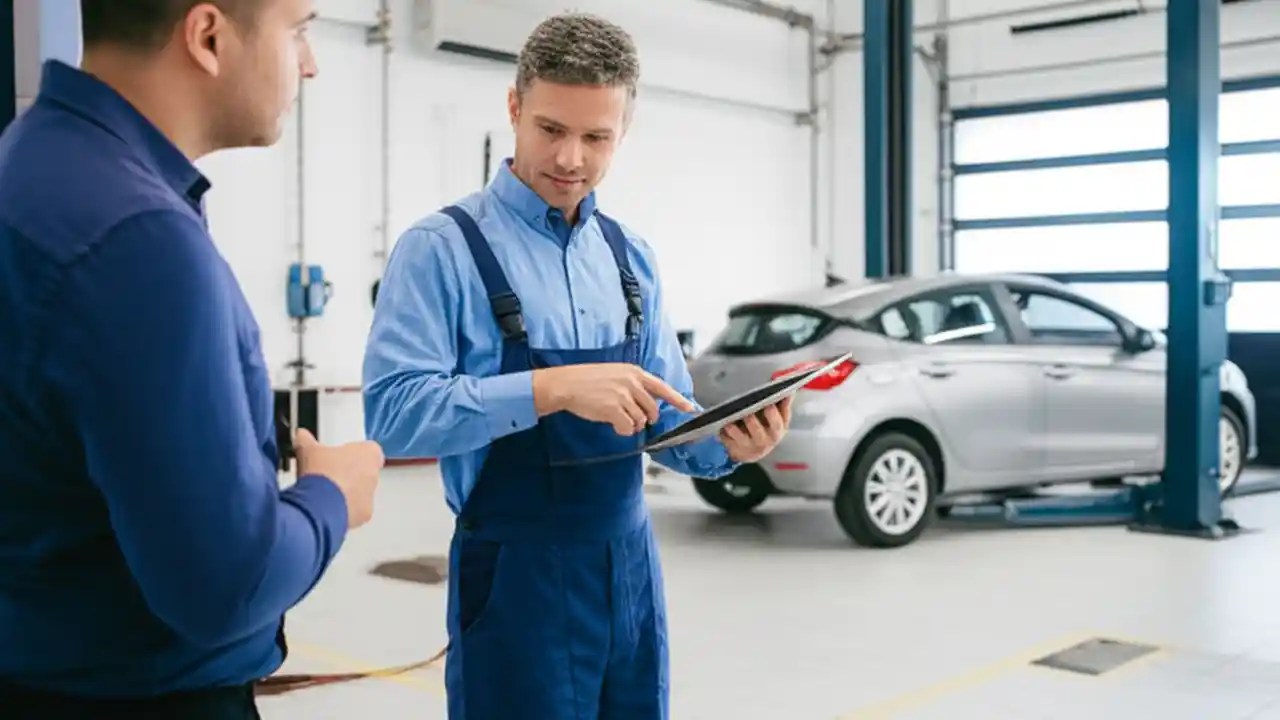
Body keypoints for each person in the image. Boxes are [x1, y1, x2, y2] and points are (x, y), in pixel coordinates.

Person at [363, 12, 792, 719]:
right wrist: (551, 388)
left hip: (629, 572)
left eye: (597, 138)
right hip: (514, 581)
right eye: (551, 129)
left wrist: (727, 447)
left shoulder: (631, 259)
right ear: (514, 108)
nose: (571, 159)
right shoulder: (440, 249)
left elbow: (669, 418)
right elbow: (393, 417)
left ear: (625, 130)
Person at [0, 1, 384, 717]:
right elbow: (221, 587)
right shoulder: (137, 239)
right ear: (208, 37)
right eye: (298, 30)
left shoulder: (30, 167)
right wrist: (333, 496)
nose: (310, 62)